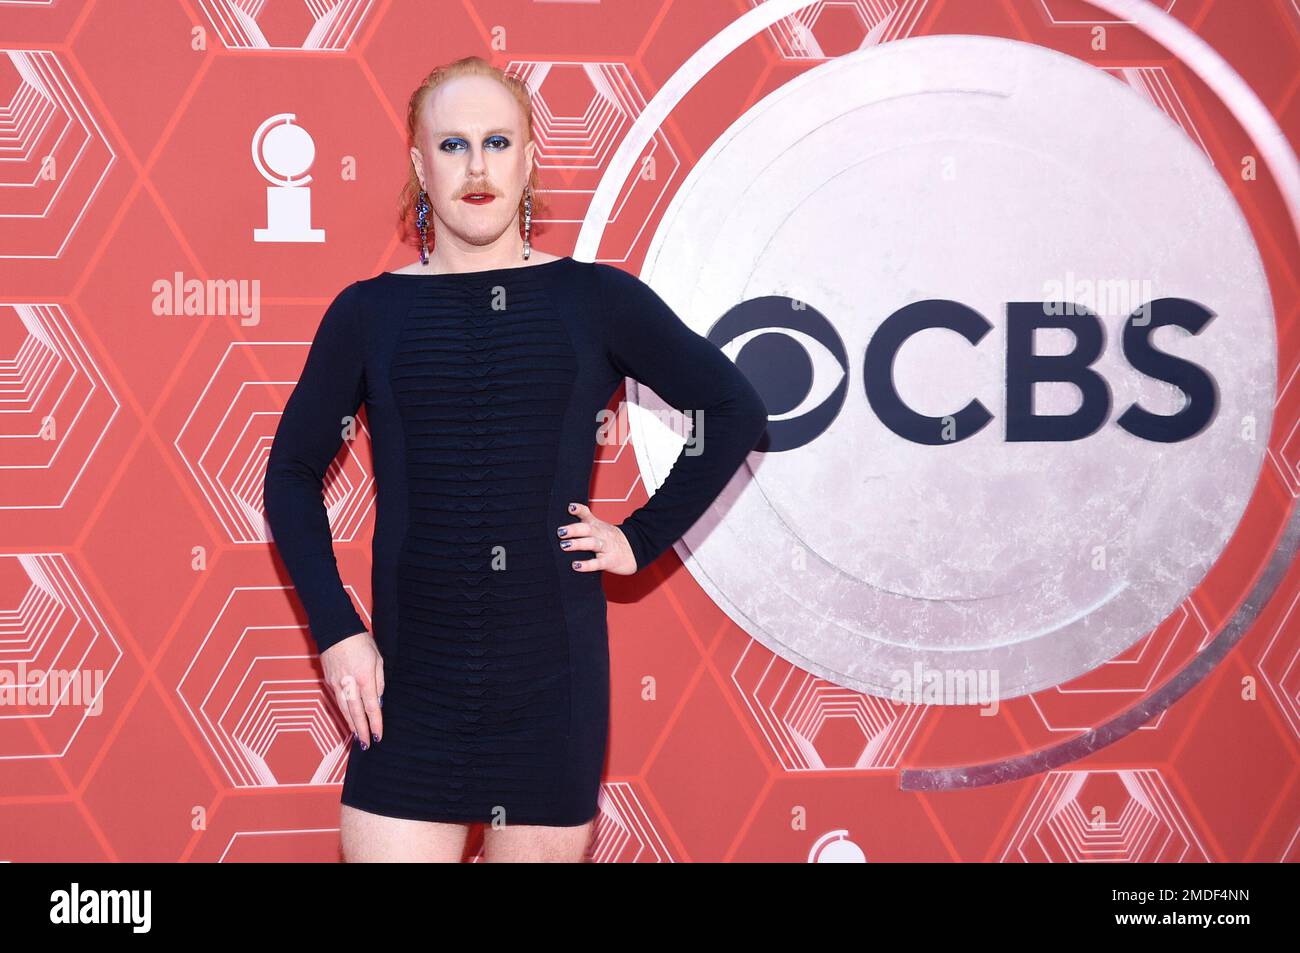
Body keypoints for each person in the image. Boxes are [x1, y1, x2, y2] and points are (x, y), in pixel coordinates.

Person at [263, 56, 768, 863]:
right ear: (419, 165)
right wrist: (335, 630)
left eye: (498, 141)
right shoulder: (369, 313)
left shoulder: (595, 299)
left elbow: (736, 407)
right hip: (407, 699)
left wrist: (638, 538)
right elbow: (290, 477)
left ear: (530, 158)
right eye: (453, 144)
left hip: (551, 697)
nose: (476, 166)